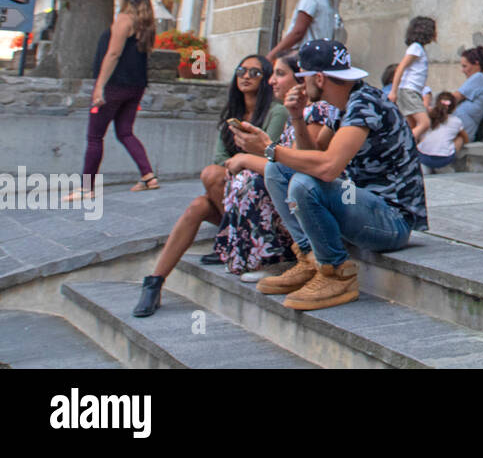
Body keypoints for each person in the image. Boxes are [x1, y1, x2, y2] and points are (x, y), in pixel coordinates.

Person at [232, 39, 428, 311]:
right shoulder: (345, 103)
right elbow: (312, 154)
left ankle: (337, 272)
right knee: (280, 170)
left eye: (303, 77)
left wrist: (268, 149)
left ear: (320, 78)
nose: (299, 84)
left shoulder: (365, 104)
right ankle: (309, 258)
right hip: (363, 205)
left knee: (305, 183)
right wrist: (297, 117)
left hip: (391, 221)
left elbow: (327, 167)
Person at [131, 55, 284, 317]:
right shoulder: (231, 113)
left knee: (210, 177)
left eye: (255, 73)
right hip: (236, 196)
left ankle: (231, 242)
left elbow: (272, 158)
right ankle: (154, 281)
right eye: (241, 70)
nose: (245, 76)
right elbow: (219, 158)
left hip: (263, 198)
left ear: (266, 79)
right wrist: (233, 165)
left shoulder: (276, 111)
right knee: (198, 203)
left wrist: (239, 164)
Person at [212, 53, 334, 280]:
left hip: (322, 193)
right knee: (240, 177)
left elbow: (301, 163)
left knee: (254, 178)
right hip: (301, 184)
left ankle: (278, 258)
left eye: (279, 74)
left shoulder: (317, 110)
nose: (271, 81)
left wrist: (248, 157)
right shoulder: (297, 111)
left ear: (301, 79)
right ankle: (246, 255)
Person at [73, 0, 158, 201]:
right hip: (135, 87)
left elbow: (113, 54)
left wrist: (99, 86)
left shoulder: (124, 20)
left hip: (114, 87)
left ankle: (86, 187)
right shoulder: (146, 24)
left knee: (94, 137)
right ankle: (148, 176)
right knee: (125, 132)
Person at [430, 45, 483, 143]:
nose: (462, 71)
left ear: (476, 63)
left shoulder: (479, 77)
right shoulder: (479, 79)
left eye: (465, 66)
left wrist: (433, 109)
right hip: (460, 125)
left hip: (463, 128)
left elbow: (453, 98)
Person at [388, 16, 436, 141]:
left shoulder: (419, 49)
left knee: (412, 126)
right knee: (424, 123)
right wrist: (393, 91)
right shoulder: (416, 48)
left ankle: (407, 153)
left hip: (411, 91)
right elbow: (401, 67)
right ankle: (403, 147)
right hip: (409, 91)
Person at [416, 91, 469, 172]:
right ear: (454, 107)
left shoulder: (428, 117)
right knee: (460, 138)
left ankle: (426, 166)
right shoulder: (456, 121)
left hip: (423, 157)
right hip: (444, 159)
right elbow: (466, 138)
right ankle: (444, 164)